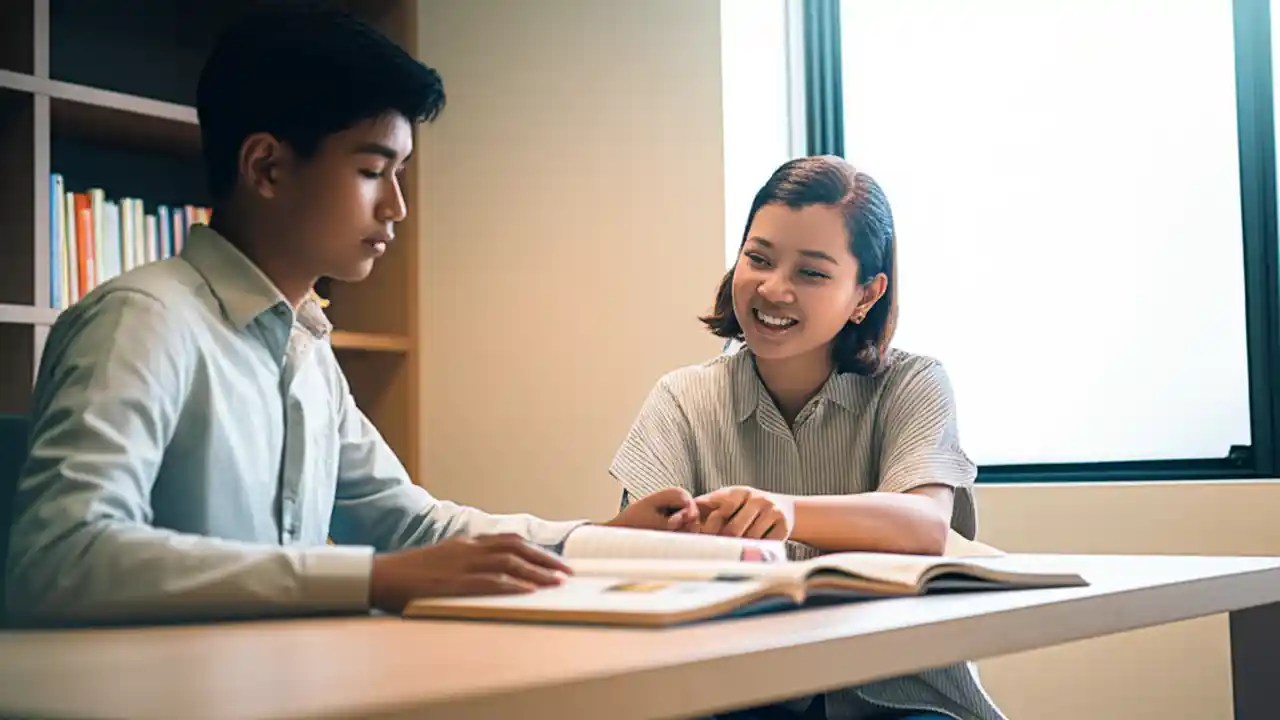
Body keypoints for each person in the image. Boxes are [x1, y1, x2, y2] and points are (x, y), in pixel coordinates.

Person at [3, 4, 698, 628]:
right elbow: (60, 557)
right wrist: (369, 578)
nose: (397, 206)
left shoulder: (304, 346)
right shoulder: (143, 322)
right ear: (267, 168)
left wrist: (607, 537)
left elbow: (412, 525)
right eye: (373, 171)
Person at [610, 156, 1005, 719]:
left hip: (899, 698)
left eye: (812, 273)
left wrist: (785, 513)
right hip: (735, 697)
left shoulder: (915, 383)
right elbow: (631, 556)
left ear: (866, 294)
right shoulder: (681, 399)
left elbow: (922, 526)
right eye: (759, 259)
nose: (773, 289)